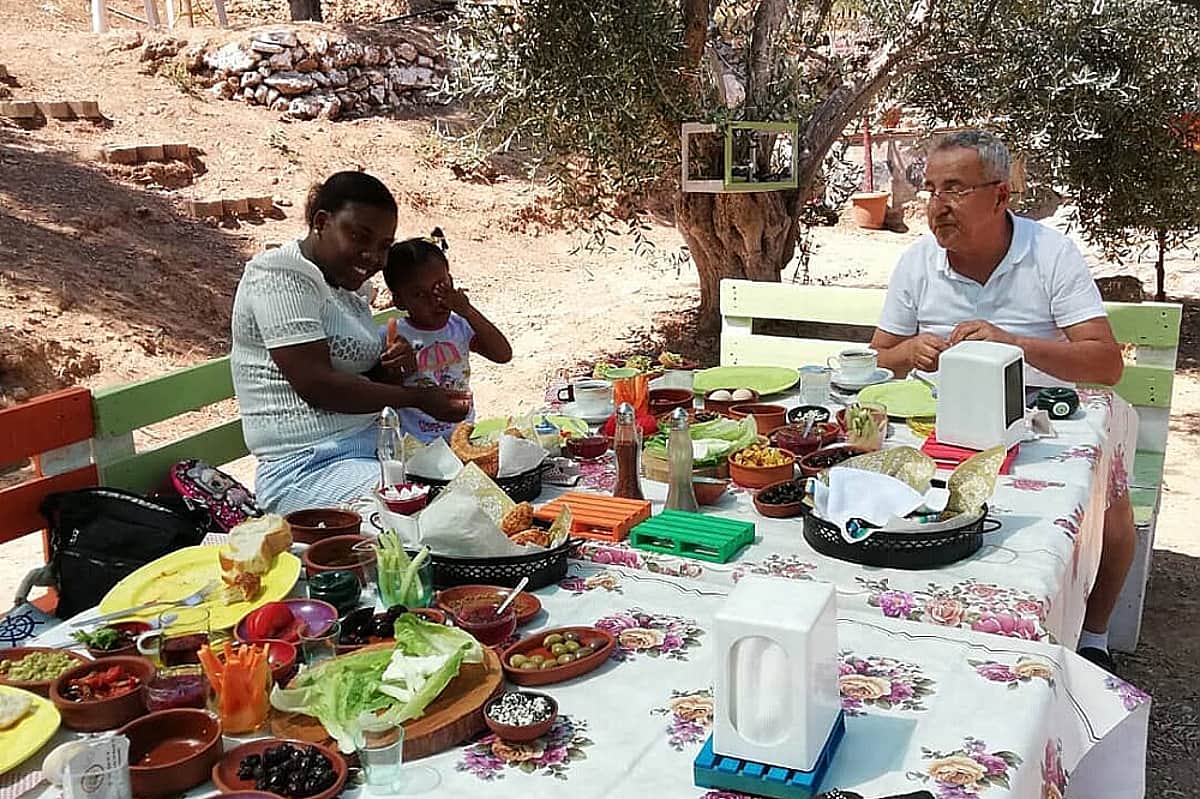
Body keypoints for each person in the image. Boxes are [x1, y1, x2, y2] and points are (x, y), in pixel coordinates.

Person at [869, 130, 1134, 673]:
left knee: (1108, 502)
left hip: (1052, 413)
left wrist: (1015, 344)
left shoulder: (1049, 254)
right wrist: (910, 351)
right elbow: (881, 356)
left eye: (955, 190)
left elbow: (1106, 363)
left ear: (1000, 195)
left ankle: (1094, 637)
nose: (937, 206)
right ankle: (933, 629)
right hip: (942, 416)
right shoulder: (919, 263)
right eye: (931, 189)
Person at [230, 172, 470, 514]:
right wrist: (417, 397)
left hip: (371, 450)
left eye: (384, 246)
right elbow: (318, 385)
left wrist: (390, 370)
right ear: (322, 222)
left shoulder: (348, 290)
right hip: (304, 469)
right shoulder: (280, 275)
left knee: (478, 489)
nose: (373, 256)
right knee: (431, 510)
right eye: (360, 237)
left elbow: (358, 381)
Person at [382, 228, 512, 443]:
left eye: (440, 288)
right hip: (415, 441)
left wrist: (468, 311)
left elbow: (503, 354)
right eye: (419, 295)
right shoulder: (393, 335)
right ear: (399, 300)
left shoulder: (459, 325)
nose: (435, 301)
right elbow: (384, 389)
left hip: (462, 434)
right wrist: (399, 368)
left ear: (450, 282)